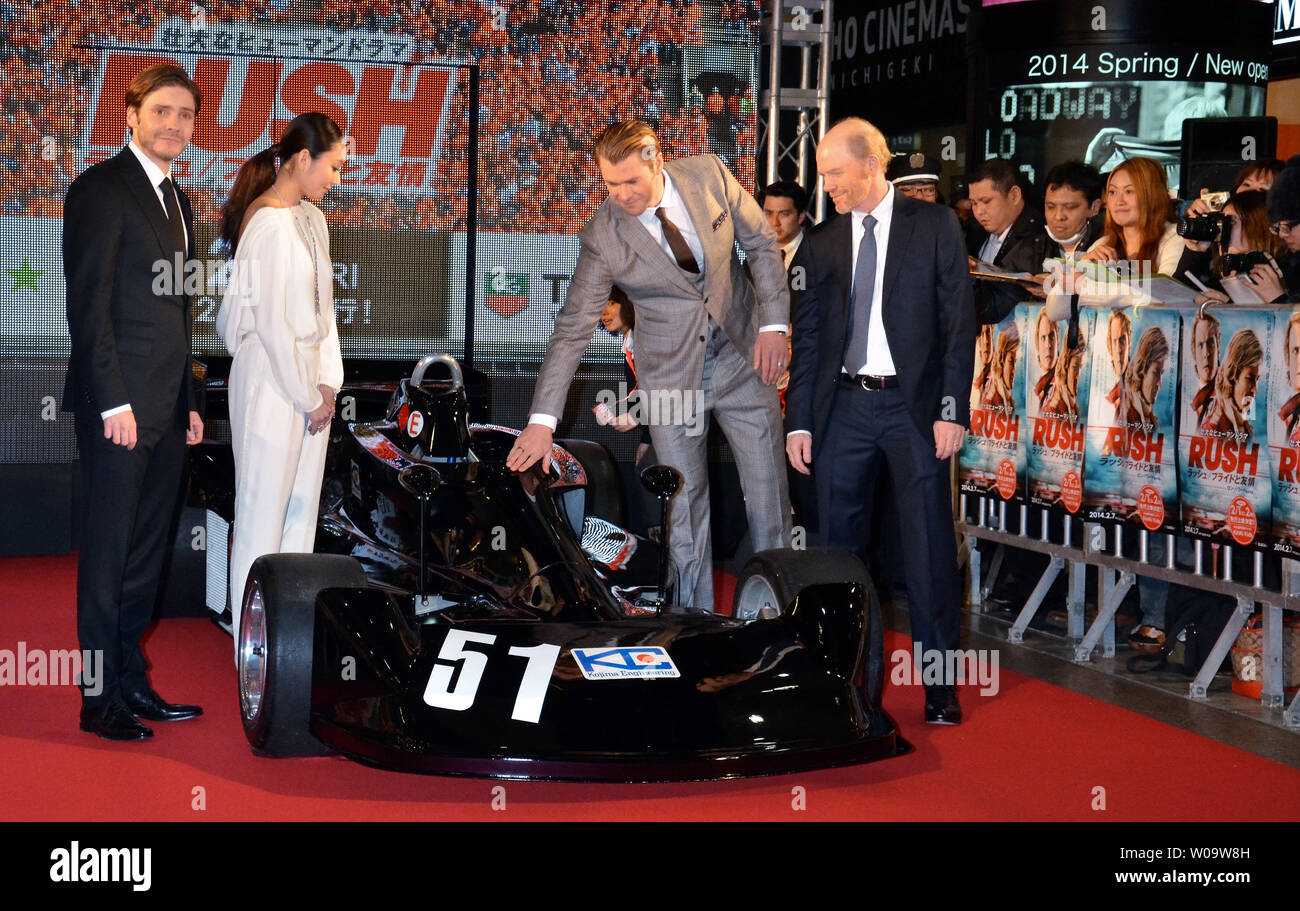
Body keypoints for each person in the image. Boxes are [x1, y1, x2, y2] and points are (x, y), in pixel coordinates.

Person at [507, 120, 791, 613]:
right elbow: (573, 326)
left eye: (631, 182)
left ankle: (778, 621)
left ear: (657, 161)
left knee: (768, 503)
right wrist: (541, 423)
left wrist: (774, 327)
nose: (622, 195)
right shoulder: (604, 233)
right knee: (683, 509)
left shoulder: (710, 176)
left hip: (743, 362)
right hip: (670, 381)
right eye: (611, 184)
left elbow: (763, 246)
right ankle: (692, 626)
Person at [785, 117, 975, 725]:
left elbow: (957, 329)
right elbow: (808, 342)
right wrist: (800, 423)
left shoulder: (937, 225)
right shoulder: (819, 243)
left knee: (927, 548)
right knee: (837, 551)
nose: (828, 187)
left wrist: (952, 411)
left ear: (872, 164)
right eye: (822, 177)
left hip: (915, 410)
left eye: (835, 174)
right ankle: (846, 685)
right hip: (844, 409)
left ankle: (939, 687)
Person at [62, 64, 205, 740]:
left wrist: (189, 402)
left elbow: (180, 317)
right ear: (131, 114)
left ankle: (131, 682)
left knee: (146, 554)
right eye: (161, 111)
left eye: (184, 114)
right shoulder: (99, 189)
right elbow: (89, 309)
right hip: (116, 411)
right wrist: (111, 400)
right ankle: (98, 700)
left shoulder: (182, 201)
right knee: (108, 557)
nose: (173, 123)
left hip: (166, 413)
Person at [216, 112, 346, 654]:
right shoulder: (266, 224)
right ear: (300, 160)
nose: (335, 178)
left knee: (300, 504)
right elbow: (268, 324)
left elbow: (326, 314)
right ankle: (248, 637)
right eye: (332, 167)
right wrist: (301, 393)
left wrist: (328, 387)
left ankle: (288, 629)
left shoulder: (312, 219)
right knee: (262, 506)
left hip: (309, 383)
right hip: (269, 380)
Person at [967, 158, 1047, 323]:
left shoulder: (1038, 239)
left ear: (1014, 195)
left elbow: (997, 305)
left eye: (986, 201)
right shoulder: (974, 233)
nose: (979, 211)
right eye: (974, 203)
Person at [1081, 157, 1183, 277]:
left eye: (1129, 191)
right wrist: (1082, 268)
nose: (1119, 201)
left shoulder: (1175, 238)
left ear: (1152, 195)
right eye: (1112, 192)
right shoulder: (1102, 245)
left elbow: (1166, 292)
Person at [1200, 328, 1262, 438]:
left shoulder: (1243, 425)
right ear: (1233, 375)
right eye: (1249, 378)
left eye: (1257, 379)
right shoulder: (1213, 428)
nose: (1255, 390)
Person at [757, 180, 810, 267]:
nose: (775, 222)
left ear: (801, 216)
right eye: (769, 213)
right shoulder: (755, 258)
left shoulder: (817, 255)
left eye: (784, 214)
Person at [1188, 311, 1221, 426]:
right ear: (1194, 352)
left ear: (1218, 348)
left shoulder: (1233, 390)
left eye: (1210, 343)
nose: (1206, 353)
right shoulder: (1190, 398)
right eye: (1200, 345)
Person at [1032, 309, 1058, 410]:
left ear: (1058, 342)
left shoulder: (1062, 384)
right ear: (1037, 346)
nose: (1048, 345)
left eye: (1051, 336)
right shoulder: (1039, 387)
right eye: (1043, 338)